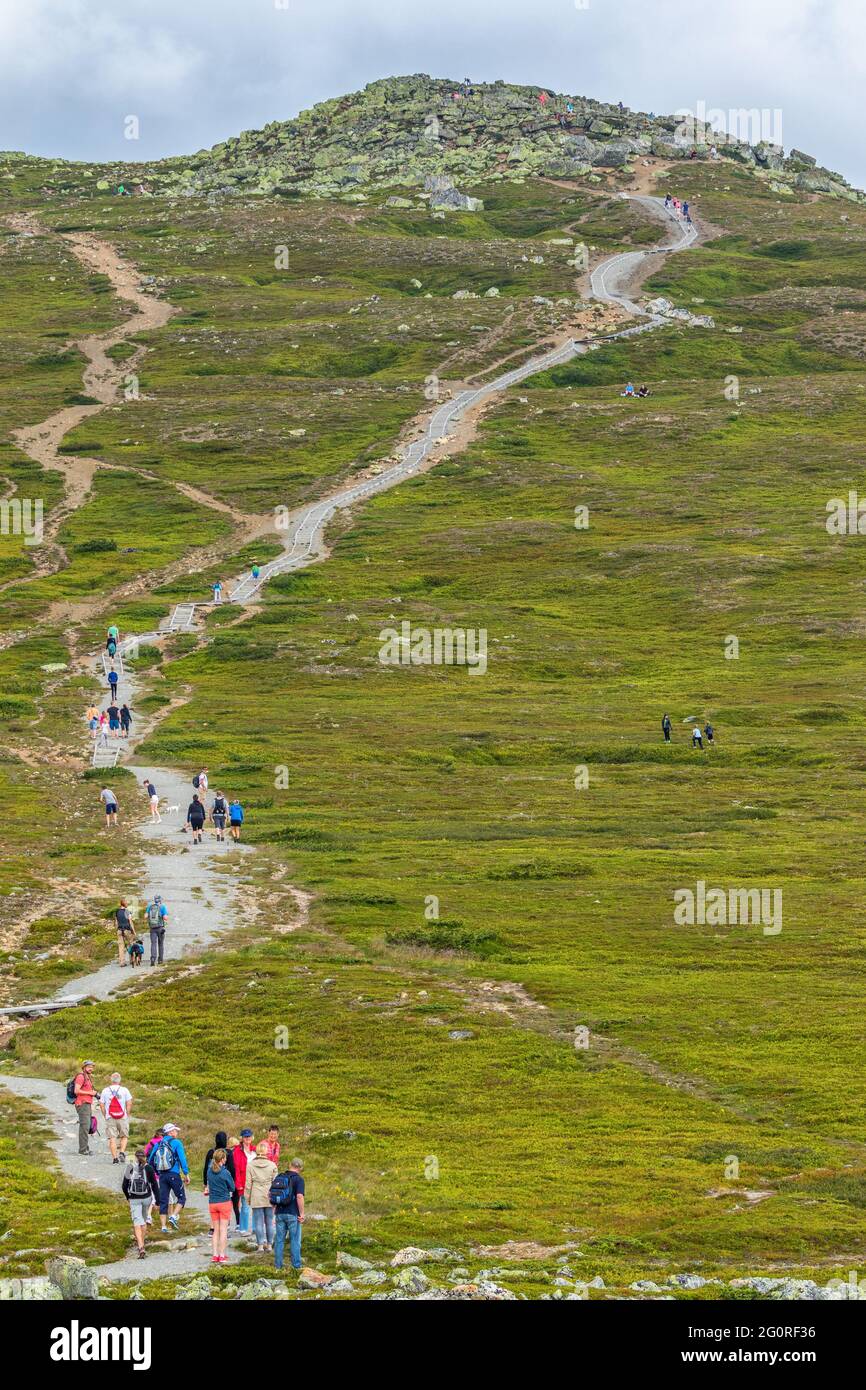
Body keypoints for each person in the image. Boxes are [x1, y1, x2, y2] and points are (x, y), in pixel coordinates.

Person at [151, 1123, 190, 1232]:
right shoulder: (177, 1143)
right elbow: (182, 1159)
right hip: (174, 1174)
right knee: (182, 1197)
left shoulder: (158, 1144)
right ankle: (173, 1216)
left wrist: (157, 1172)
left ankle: (163, 1227)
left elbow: (150, 1160)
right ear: (170, 1132)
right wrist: (186, 1173)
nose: (176, 1132)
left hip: (162, 1176)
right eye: (175, 1131)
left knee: (164, 1201)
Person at [122, 1148, 160, 1259]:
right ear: (145, 1157)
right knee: (143, 1221)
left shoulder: (130, 1167)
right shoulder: (149, 1168)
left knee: (136, 1222)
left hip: (134, 1198)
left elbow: (124, 1185)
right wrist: (157, 1201)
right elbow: (154, 1185)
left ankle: (140, 1247)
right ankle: (142, 1243)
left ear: (135, 1157)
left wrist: (128, 1197)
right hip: (146, 1198)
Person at [272, 1158, 305, 1272]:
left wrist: (274, 1212)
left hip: (279, 1213)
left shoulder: (280, 1177)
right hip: (293, 1214)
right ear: (300, 1168)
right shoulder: (299, 1180)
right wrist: (301, 1214)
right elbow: (299, 1197)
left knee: (279, 1240)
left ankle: (278, 1266)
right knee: (295, 1240)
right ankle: (296, 1266)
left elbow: (271, 1194)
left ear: (289, 1165)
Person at [204, 1148, 235, 1264]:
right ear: (222, 1159)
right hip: (224, 1202)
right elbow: (232, 1187)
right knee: (223, 1230)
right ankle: (222, 1255)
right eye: (225, 1158)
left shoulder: (209, 1171)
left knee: (215, 1230)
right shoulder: (225, 1173)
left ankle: (215, 1255)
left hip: (213, 1203)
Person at [245, 1142, 278, 1253]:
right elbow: (276, 1183)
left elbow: (248, 1184)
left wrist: (247, 1198)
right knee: (269, 1221)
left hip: (256, 1195)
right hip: (269, 1195)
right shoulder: (272, 1165)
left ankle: (260, 1246)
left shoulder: (250, 1165)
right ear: (266, 1152)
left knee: (258, 1222)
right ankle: (269, 1245)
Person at [98, 1071, 133, 1164]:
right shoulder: (124, 1090)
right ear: (119, 1080)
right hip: (122, 1116)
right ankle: (121, 1152)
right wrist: (127, 1113)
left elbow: (101, 1104)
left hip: (110, 1117)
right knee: (124, 1136)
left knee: (112, 1138)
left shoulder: (105, 1090)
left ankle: (115, 1159)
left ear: (111, 1080)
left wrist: (105, 1114)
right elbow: (129, 1103)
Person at [73, 1061, 97, 1156]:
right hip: (82, 1104)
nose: (91, 1068)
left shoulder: (87, 1077)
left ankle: (85, 1148)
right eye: (89, 1067)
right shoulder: (81, 1077)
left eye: (92, 1067)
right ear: (84, 1067)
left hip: (87, 1104)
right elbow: (76, 1091)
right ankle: (83, 1150)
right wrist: (90, 1093)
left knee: (87, 1126)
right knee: (85, 1126)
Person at [234, 1130, 255, 1234]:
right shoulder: (237, 1151)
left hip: (256, 1182)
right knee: (245, 1206)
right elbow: (236, 1169)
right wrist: (238, 1184)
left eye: (249, 1136)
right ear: (242, 1138)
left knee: (256, 1206)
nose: (247, 1138)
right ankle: (243, 1229)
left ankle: (256, 1229)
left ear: (252, 1137)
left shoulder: (255, 1149)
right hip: (243, 1181)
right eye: (245, 1136)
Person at [145, 894, 168, 965]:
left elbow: (145, 916)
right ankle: (160, 960)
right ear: (160, 899)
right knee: (160, 944)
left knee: (153, 944)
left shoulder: (150, 906)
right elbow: (165, 918)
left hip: (152, 928)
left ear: (154, 899)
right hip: (160, 928)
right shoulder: (163, 906)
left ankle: (152, 958)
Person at [115, 899, 134, 965]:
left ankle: (122, 962)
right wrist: (133, 931)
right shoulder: (127, 911)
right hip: (127, 930)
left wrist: (117, 930)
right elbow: (130, 922)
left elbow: (116, 922)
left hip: (119, 930)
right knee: (130, 944)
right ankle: (131, 960)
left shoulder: (117, 911)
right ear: (125, 904)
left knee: (121, 946)